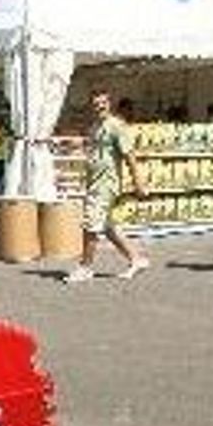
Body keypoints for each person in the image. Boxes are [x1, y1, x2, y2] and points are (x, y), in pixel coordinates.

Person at [64, 90, 149, 283]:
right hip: (95, 183)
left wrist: (139, 182)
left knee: (90, 225)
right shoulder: (95, 127)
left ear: (109, 104)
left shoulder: (117, 126)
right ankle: (136, 259)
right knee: (107, 228)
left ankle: (85, 267)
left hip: (106, 185)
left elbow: (130, 156)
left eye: (103, 103)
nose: (99, 107)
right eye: (96, 104)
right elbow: (92, 151)